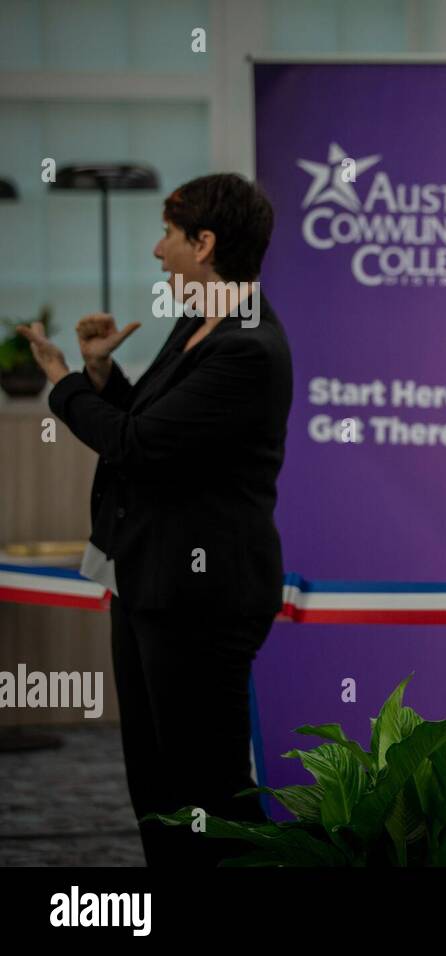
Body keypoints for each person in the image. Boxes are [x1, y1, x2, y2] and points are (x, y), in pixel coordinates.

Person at [19, 173, 292, 867]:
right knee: (158, 787)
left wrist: (63, 381)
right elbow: (159, 429)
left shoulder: (246, 347)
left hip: (202, 597)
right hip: (152, 584)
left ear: (205, 243)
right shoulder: (203, 325)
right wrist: (101, 375)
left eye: (168, 234)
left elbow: (134, 446)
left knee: (209, 798)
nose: (156, 250)